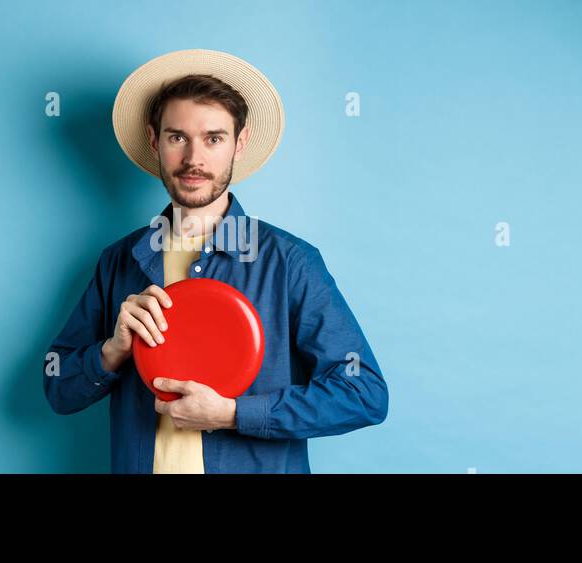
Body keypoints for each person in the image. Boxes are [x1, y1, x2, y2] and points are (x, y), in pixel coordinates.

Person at [43, 49, 388, 473]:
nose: (193, 159)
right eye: (177, 137)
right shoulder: (118, 262)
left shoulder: (289, 262)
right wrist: (112, 351)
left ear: (238, 144)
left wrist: (232, 414)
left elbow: (364, 393)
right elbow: (58, 387)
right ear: (154, 141)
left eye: (213, 138)